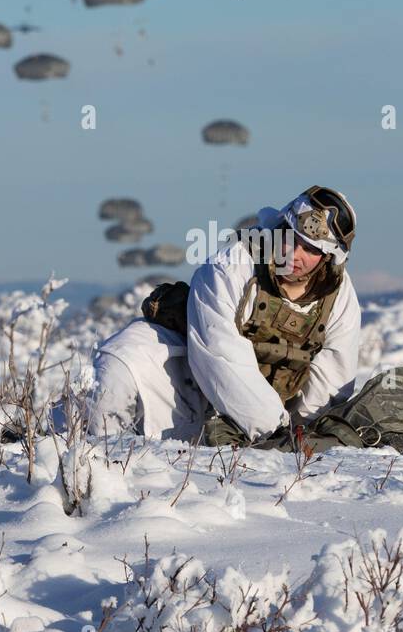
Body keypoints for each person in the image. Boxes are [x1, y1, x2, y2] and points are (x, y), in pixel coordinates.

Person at [88, 186, 361, 446]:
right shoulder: (233, 264)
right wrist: (273, 432)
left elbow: (334, 376)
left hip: (279, 423)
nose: (293, 254)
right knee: (123, 356)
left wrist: (302, 435)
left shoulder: (339, 295)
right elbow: (220, 355)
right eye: (291, 238)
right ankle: (100, 455)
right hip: (194, 393)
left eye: (311, 249)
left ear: (327, 258)